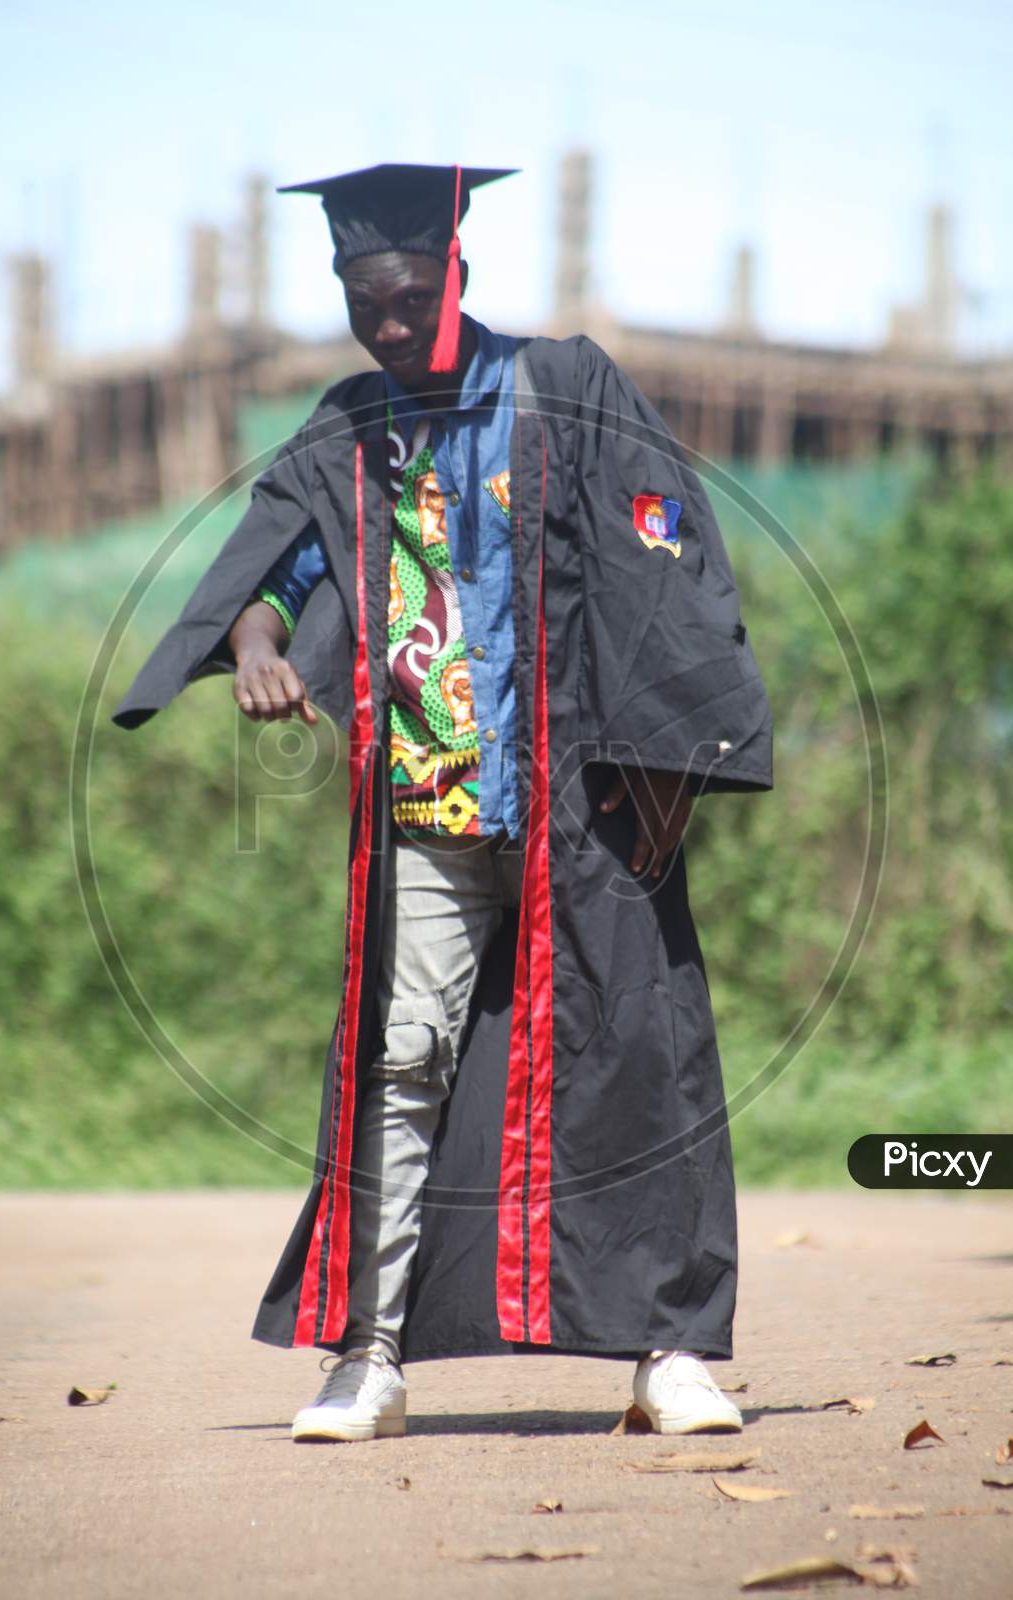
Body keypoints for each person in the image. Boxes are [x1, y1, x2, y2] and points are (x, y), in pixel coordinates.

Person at [113, 162, 773, 1443]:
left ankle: (670, 1353)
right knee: (399, 1061)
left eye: (410, 298)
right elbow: (274, 565)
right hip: (427, 806)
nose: (392, 326)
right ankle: (368, 1356)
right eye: (367, 303)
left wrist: (669, 759)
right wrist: (254, 648)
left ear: (453, 268)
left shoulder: (564, 386)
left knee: (636, 1059)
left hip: (588, 804)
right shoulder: (346, 424)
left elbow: (665, 556)